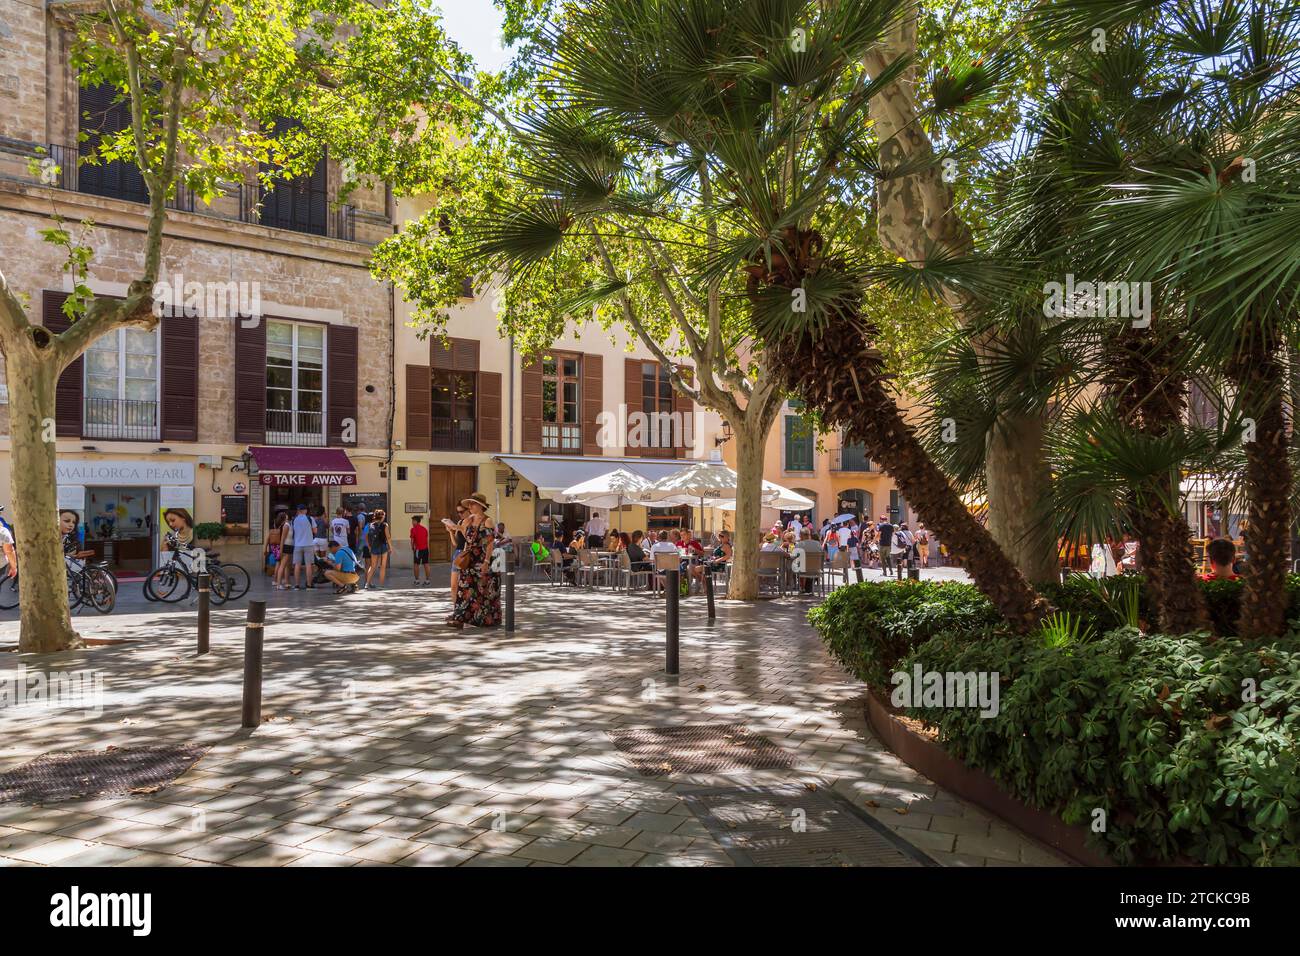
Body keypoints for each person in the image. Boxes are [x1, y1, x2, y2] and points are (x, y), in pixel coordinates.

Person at [446, 492, 501, 628]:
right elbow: (467, 536)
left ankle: (486, 619)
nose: (469, 506)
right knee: (463, 588)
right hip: (470, 559)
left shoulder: (487, 521)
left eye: (472, 504)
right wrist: (454, 528)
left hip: (483, 559)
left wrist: (486, 562)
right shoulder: (469, 519)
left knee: (484, 591)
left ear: (480, 506)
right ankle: (460, 618)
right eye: (469, 504)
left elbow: (490, 543)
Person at [290, 504, 317, 590]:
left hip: (297, 545)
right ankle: (309, 585)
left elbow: (292, 531)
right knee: (308, 565)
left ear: (298, 510)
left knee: (297, 565)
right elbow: (315, 531)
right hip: (308, 544)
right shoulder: (310, 518)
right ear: (305, 510)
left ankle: (297, 585)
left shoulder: (294, 520)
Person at [364, 508, 391, 589]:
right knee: (382, 566)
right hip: (383, 546)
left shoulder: (370, 525)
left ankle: (367, 584)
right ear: (382, 516)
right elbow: (388, 537)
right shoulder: (385, 525)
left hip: (374, 546)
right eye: (384, 516)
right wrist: (390, 547)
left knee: (372, 566)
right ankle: (381, 585)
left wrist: (369, 546)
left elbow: (366, 537)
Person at [410, 515, 430, 585]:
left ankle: (417, 580)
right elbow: (426, 539)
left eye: (413, 521)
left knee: (416, 564)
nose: (412, 522)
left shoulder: (413, 529)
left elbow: (412, 541)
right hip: (425, 549)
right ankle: (427, 580)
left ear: (416, 521)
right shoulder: (425, 529)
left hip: (418, 549)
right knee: (426, 564)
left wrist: (412, 548)